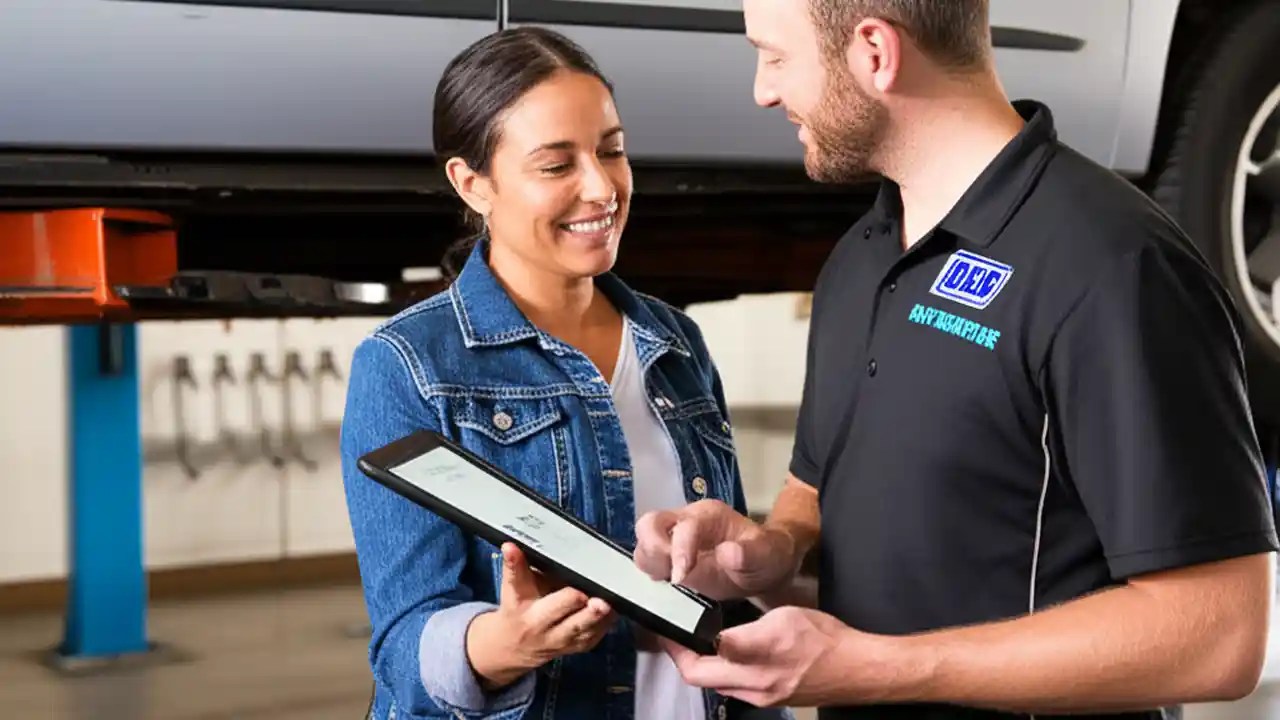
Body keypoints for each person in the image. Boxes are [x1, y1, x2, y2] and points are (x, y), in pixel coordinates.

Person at [633, 1, 1279, 718]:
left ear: (875, 52)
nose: (763, 89)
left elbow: (1220, 635)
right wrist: (769, 553)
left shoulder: (1115, 268)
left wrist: (876, 668)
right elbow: (814, 491)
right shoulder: (860, 260)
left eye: (777, 57)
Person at [339, 26, 787, 720]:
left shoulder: (676, 344)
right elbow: (405, 643)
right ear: (473, 183)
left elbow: (726, 607)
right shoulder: (407, 365)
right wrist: (500, 644)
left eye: (612, 150)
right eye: (556, 166)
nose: (602, 187)